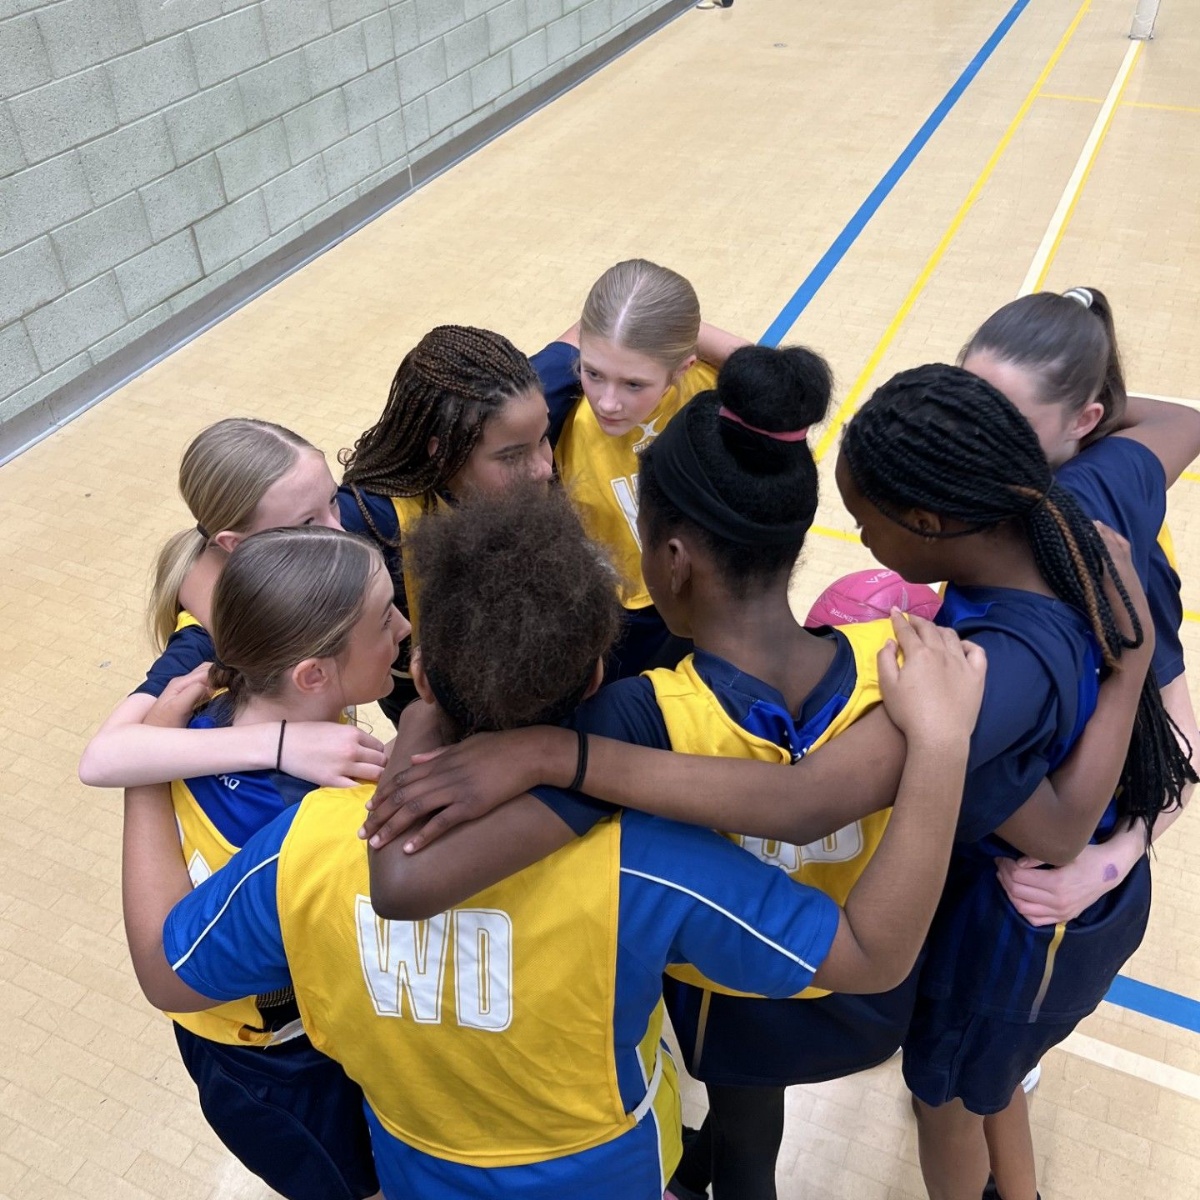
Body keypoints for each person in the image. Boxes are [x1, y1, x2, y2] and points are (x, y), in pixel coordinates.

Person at [124, 486, 986, 1200]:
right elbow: (872, 955)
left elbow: (168, 976)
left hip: (416, 1164)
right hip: (605, 1170)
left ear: (422, 677)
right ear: (596, 678)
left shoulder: (300, 845)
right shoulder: (650, 861)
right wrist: (941, 749)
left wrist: (145, 778)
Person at [835, 364, 1194, 1200]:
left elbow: (1061, 830)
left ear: (928, 517)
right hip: (1085, 895)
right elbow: (1183, 420)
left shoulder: (991, 685)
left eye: (862, 520)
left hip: (1024, 924)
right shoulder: (1086, 494)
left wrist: (1135, 662)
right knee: (994, 1084)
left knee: (946, 1104)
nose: (856, 537)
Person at [959, 286, 1200, 1197]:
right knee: (964, 1073)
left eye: (1010, 422)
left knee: (993, 1081)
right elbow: (1185, 417)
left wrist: (1106, 864)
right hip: (1008, 865)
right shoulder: (1112, 468)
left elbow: (1187, 742)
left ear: (1084, 422)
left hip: (1061, 893)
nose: (982, 440)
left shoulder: (1093, 554)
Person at [120, 525, 407, 1199]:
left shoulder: (193, 728)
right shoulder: (312, 821)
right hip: (279, 1066)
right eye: (384, 618)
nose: (402, 625)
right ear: (312, 674)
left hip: (236, 1030)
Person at [79, 418, 384, 791]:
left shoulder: (320, 534)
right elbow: (101, 759)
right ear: (234, 544)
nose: (339, 531)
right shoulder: (208, 635)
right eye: (308, 521)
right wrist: (281, 744)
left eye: (333, 501)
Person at [532, 258, 750, 677]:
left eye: (634, 384)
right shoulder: (556, 414)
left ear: (681, 368)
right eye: (593, 373)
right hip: (616, 609)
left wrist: (682, 328)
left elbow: (778, 384)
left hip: (703, 594)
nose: (608, 403)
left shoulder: (710, 390)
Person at [339, 324, 554, 723]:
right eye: (512, 457)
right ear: (444, 453)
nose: (543, 469)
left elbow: (616, 324)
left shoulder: (518, 408)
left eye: (545, 438)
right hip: (431, 710)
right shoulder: (368, 520)